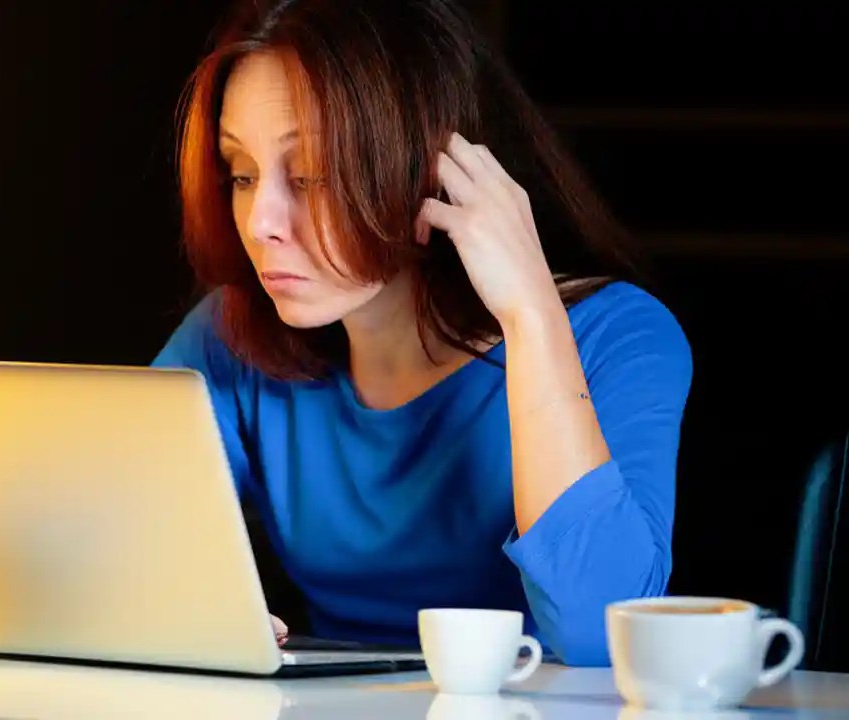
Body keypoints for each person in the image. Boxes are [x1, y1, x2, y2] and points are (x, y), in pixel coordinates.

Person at [151, 0, 692, 667]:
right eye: (242, 173)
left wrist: (530, 317)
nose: (260, 221)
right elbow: (105, 538)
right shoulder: (227, 339)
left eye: (309, 174)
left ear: (431, 172)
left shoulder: (619, 335)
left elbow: (599, 632)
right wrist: (188, 610)